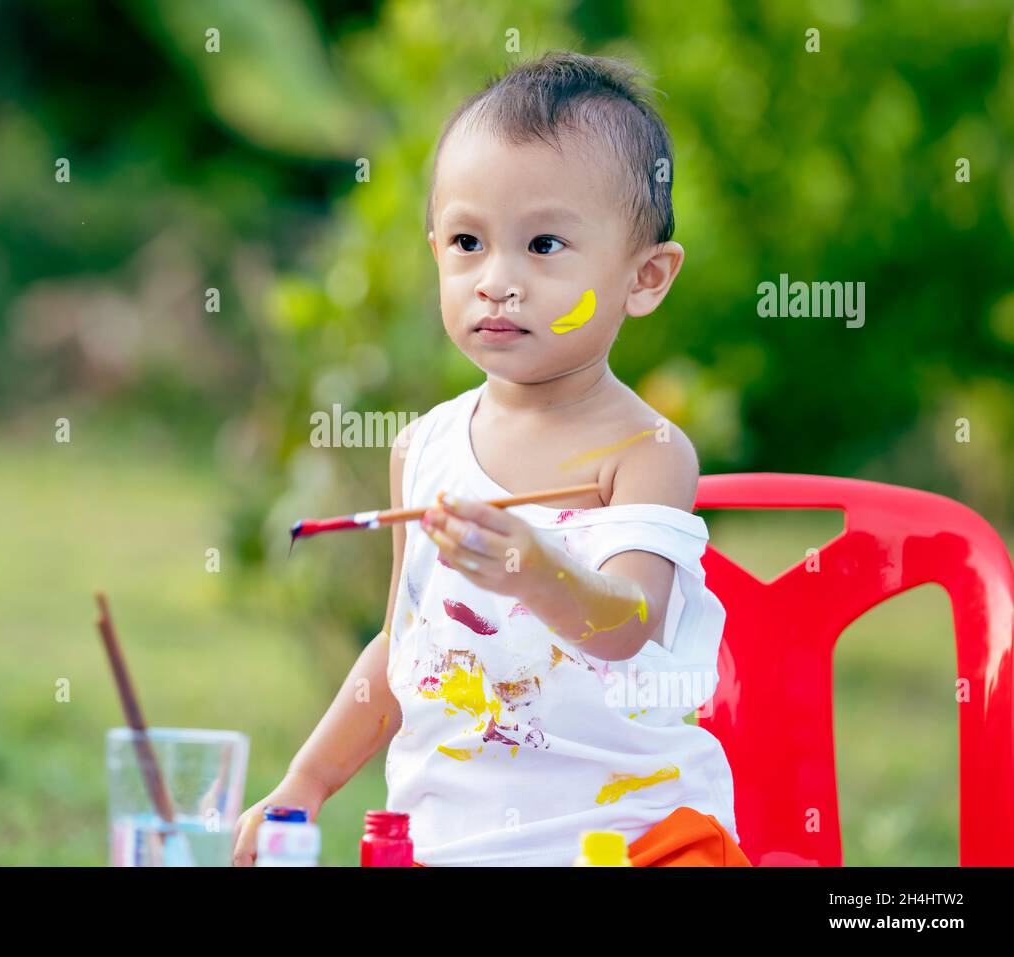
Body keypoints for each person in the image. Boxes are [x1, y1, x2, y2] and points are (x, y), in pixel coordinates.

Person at [234, 50, 749, 867]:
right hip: (455, 844)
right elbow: (402, 652)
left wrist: (539, 569)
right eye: (468, 241)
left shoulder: (645, 452)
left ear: (644, 278)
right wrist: (305, 782)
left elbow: (627, 625)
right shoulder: (423, 447)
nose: (497, 280)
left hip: (636, 837)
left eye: (544, 244)